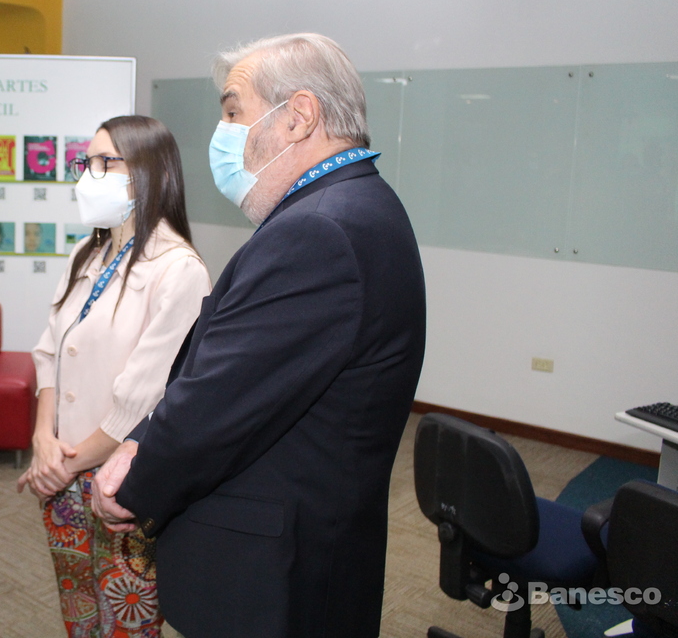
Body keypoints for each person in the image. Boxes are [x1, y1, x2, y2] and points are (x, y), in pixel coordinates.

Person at [92, 34, 428, 638]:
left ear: (299, 117)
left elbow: (219, 403)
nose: (222, 134)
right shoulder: (353, 205)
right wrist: (141, 437)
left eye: (231, 112)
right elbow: (232, 370)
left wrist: (134, 486)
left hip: (274, 574)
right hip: (308, 545)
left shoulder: (319, 231)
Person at [19, 115, 211, 637]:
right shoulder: (89, 251)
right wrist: (43, 441)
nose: (90, 175)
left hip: (120, 483)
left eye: (107, 162)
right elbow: (49, 353)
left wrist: (64, 465)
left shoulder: (179, 268)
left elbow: (144, 395)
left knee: (127, 619)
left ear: (150, 172)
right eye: (88, 162)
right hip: (60, 471)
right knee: (78, 612)